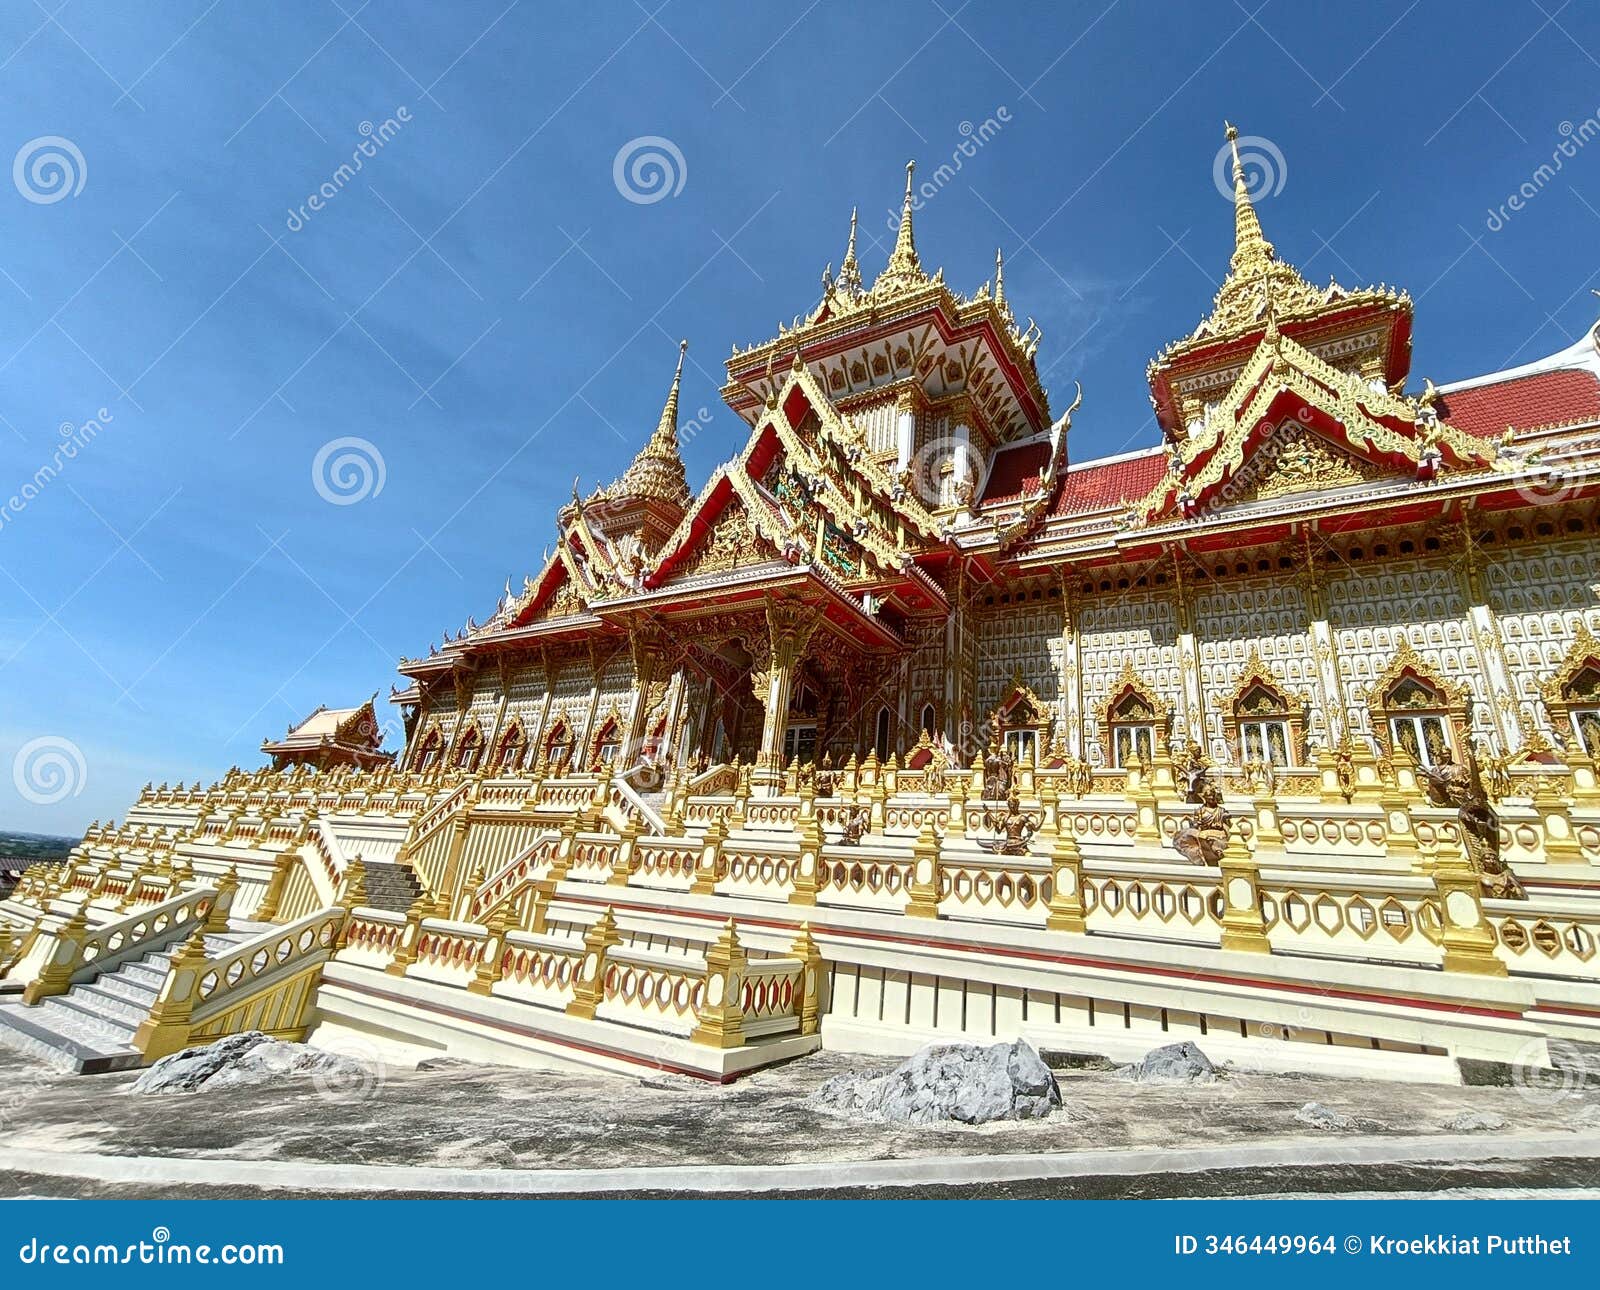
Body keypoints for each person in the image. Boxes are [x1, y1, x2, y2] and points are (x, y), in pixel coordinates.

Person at [1173, 782, 1229, 865]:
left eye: (1213, 795)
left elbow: (1227, 826)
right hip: (1203, 836)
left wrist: (1223, 826)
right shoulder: (1200, 811)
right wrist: (1198, 826)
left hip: (1218, 836)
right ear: (1203, 796)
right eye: (1209, 795)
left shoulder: (1221, 811)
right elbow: (1197, 826)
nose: (1211, 798)